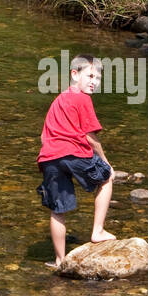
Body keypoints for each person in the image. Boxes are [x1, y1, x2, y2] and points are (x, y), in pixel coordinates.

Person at [36, 54, 116, 267]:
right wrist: (105, 161)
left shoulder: (59, 99)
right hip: (72, 153)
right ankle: (97, 231)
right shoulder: (82, 98)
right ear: (74, 74)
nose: (94, 81)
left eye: (98, 78)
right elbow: (90, 137)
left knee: (58, 208)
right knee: (106, 178)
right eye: (89, 76)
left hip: (49, 157)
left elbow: (44, 136)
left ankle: (60, 260)